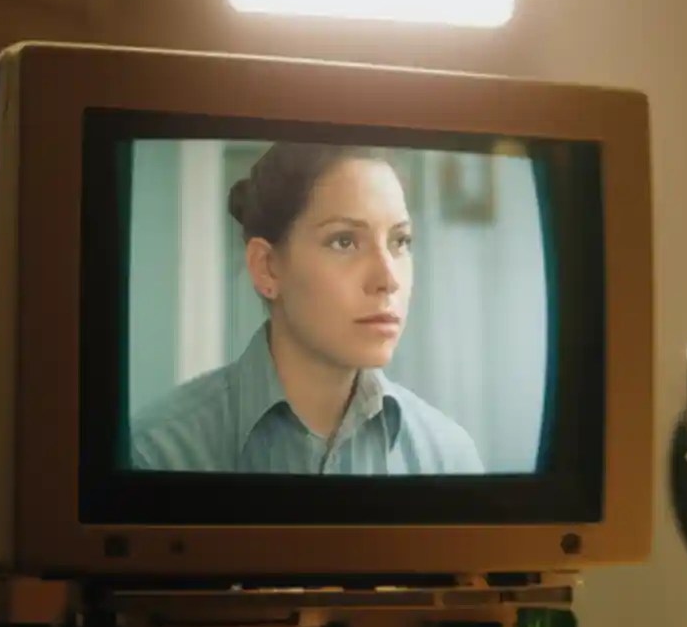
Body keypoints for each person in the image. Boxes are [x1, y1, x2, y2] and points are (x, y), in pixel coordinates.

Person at [130, 142, 485, 476]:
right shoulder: (158, 454)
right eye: (344, 241)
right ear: (267, 267)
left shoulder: (448, 456)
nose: (388, 279)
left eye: (400, 241)